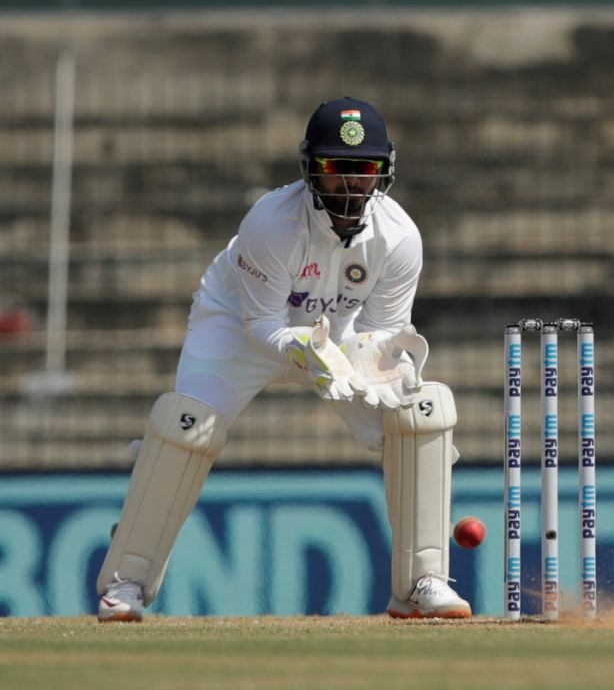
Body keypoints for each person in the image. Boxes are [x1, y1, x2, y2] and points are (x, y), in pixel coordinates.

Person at [96, 97, 470, 622]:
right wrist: (302, 352)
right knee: (187, 427)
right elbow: (262, 325)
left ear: (383, 171)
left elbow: (384, 331)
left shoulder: (401, 237)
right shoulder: (272, 222)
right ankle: (127, 583)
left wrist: (366, 364)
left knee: (418, 411)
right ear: (311, 168)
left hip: (336, 336)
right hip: (236, 327)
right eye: (335, 168)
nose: (349, 183)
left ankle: (420, 583)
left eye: (363, 169)